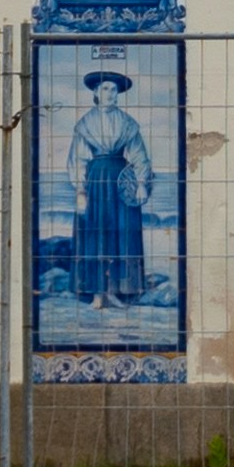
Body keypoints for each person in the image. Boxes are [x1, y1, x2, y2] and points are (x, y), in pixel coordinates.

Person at [63, 65, 154, 305]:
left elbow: (139, 156)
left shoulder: (128, 123)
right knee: (96, 235)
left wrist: (142, 184)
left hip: (122, 180)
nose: (110, 93)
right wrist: (80, 191)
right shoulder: (85, 124)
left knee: (121, 234)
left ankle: (114, 290)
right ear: (96, 91)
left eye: (114, 89)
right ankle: (96, 294)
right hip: (96, 180)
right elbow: (78, 158)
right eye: (105, 88)